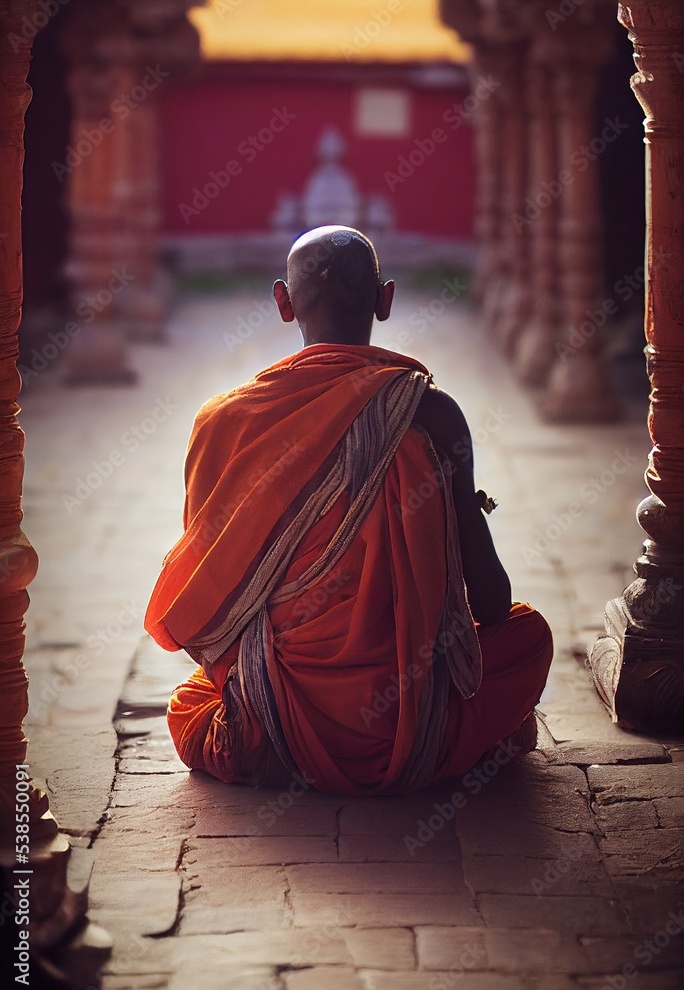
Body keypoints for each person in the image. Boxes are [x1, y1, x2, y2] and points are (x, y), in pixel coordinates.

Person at [144, 226, 553, 796]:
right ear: (384, 300)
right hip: (406, 723)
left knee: (191, 701)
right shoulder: (430, 413)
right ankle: (461, 736)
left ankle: (288, 748)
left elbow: (208, 613)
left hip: (274, 722)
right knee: (529, 638)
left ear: (283, 304)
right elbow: (489, 602)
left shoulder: (225, 422)